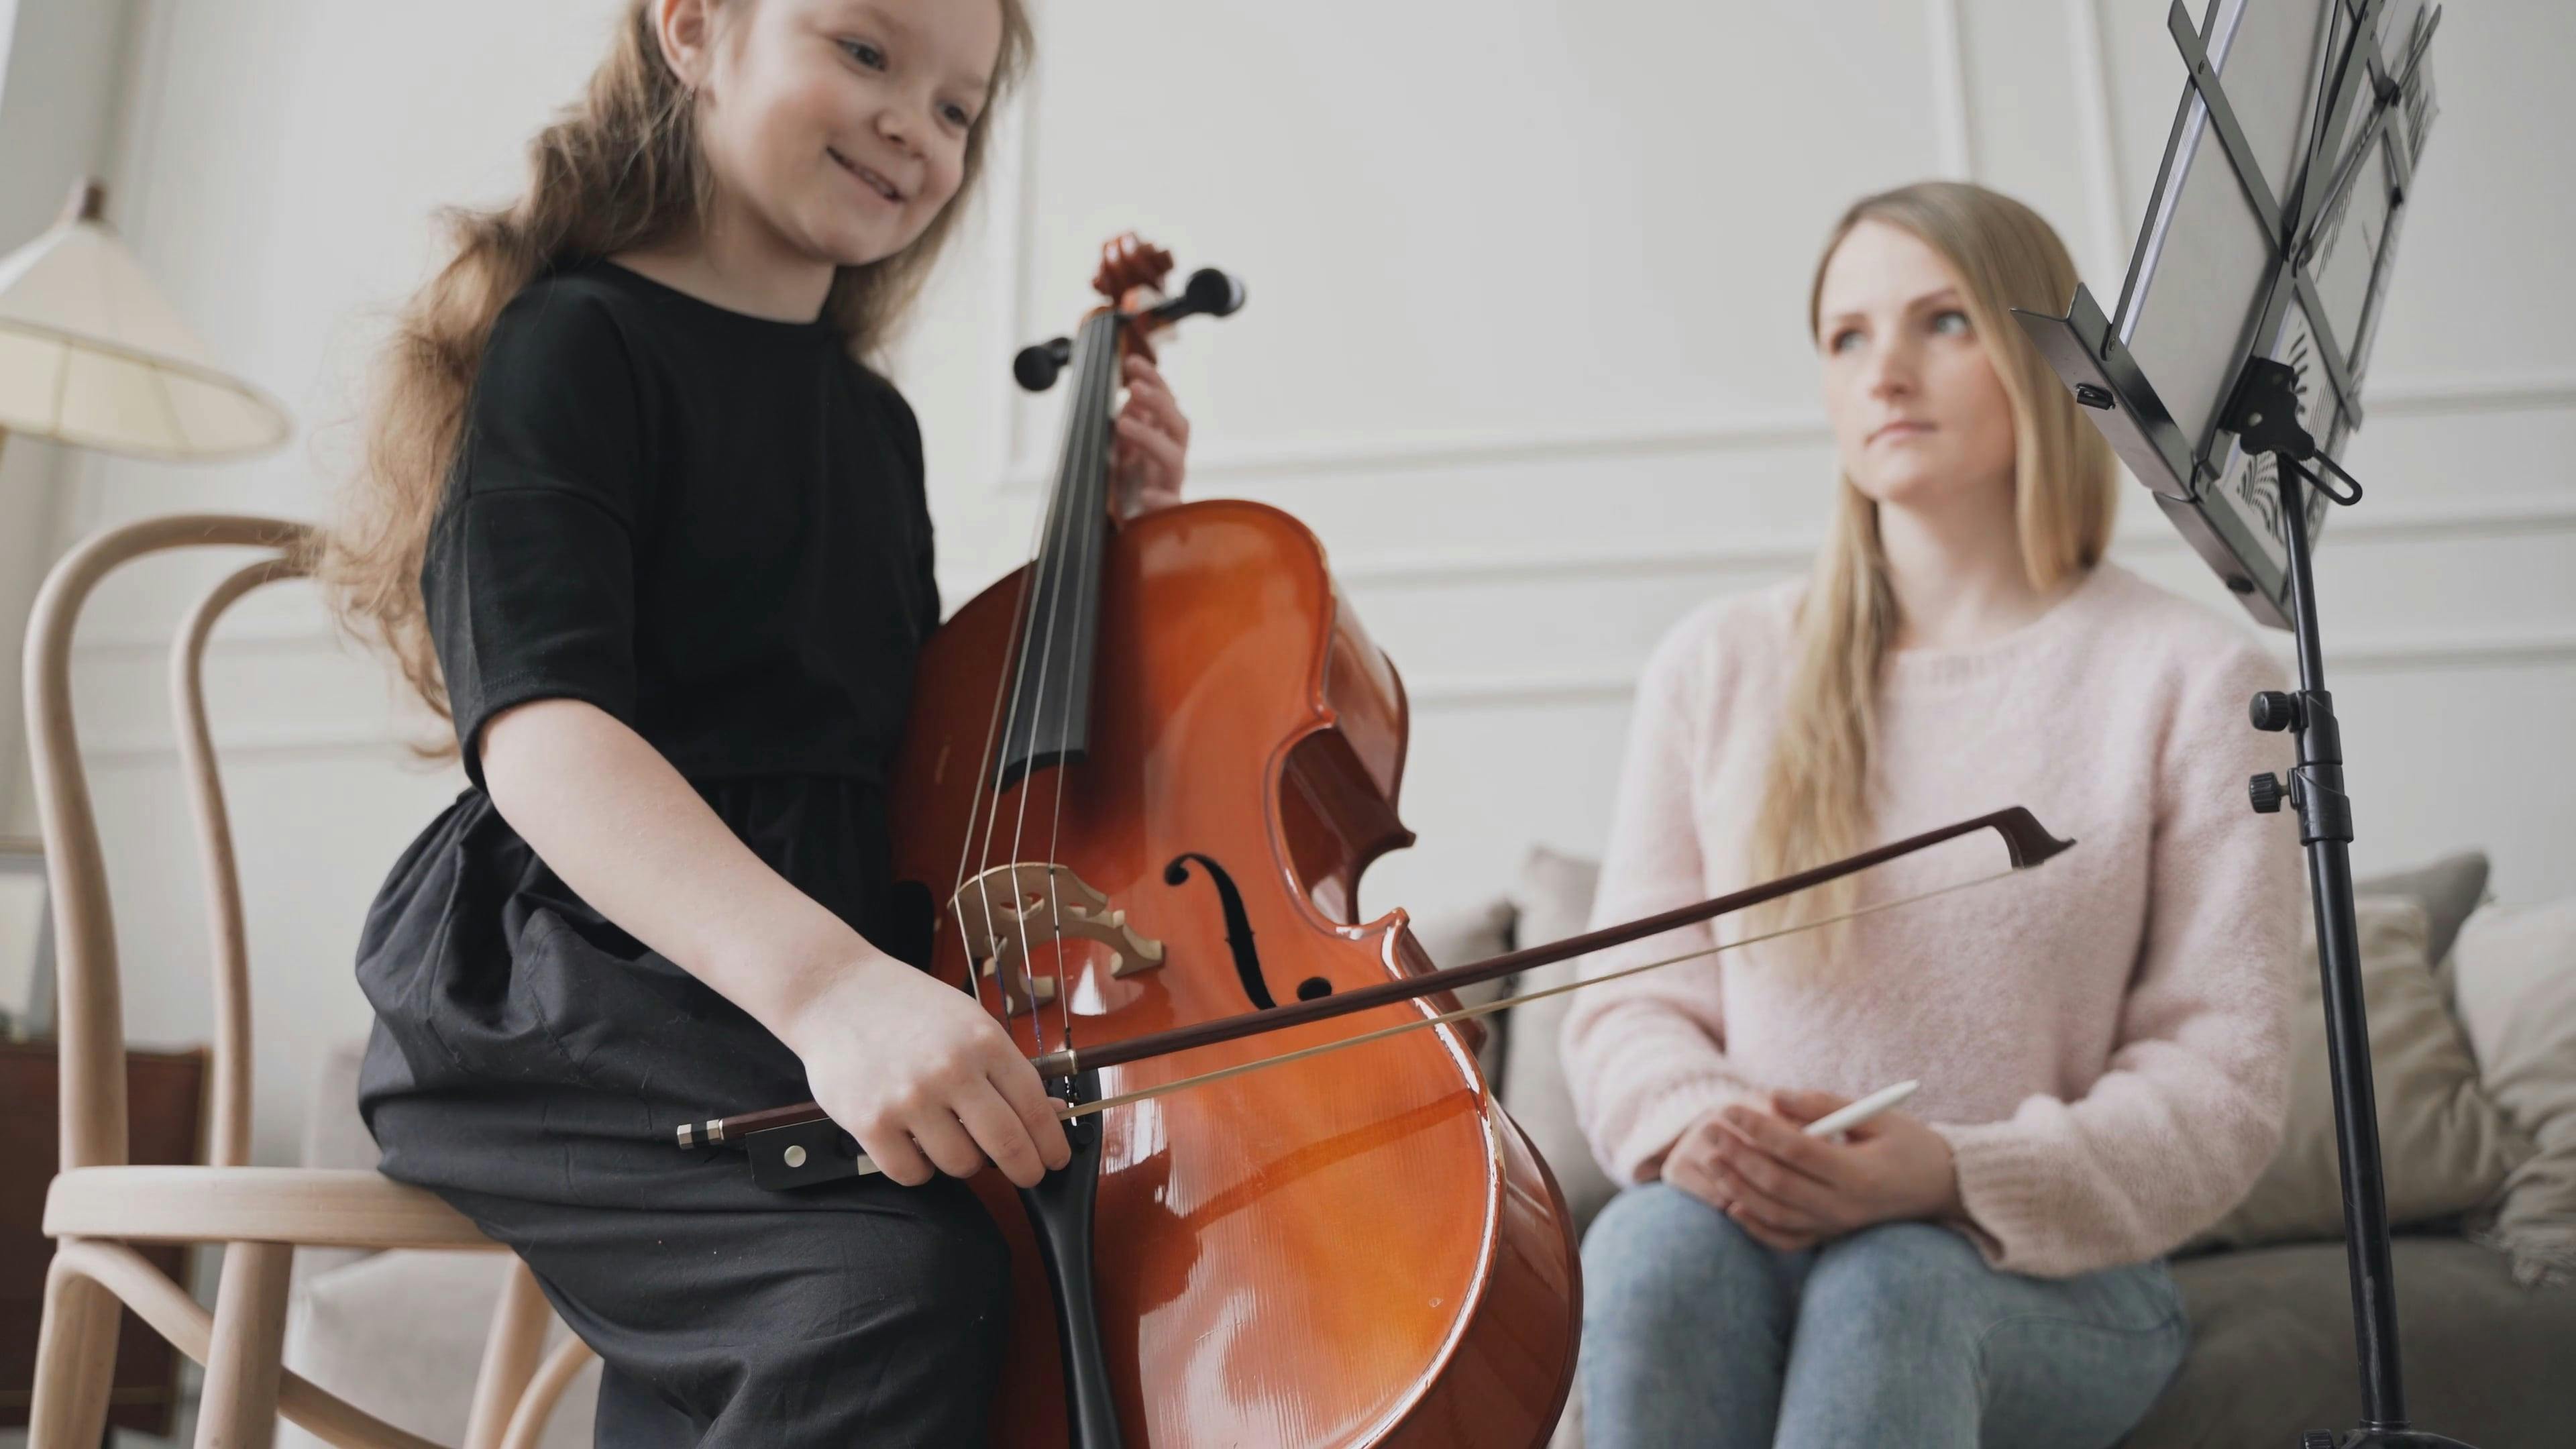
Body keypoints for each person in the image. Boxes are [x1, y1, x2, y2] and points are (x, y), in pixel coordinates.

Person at [323, 2, 1193, 1442]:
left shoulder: (873, 428)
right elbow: (546, 728)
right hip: (579, 976)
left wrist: (1113, 541)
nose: (917, 126)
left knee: (1026, 1250)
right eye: (866, 54)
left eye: (961, 109)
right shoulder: (572, 343)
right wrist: (830, 992)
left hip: (805, 960)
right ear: (695, 30)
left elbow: (913, 743)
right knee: (885, 1283)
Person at [1560, 180, 2301, 1448]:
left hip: (2047, 1275)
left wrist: (1952, 1173)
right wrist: (1701, 1132)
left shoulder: (2195, 678)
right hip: (1745, 1240)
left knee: (1893, 1281)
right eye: (1847, 338)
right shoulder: (1718, 664)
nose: (1885, 370)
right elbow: (1630, 1000)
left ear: (2047, 361)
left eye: (1942, 321)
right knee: (1647, 1245)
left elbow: (2221, 1080)